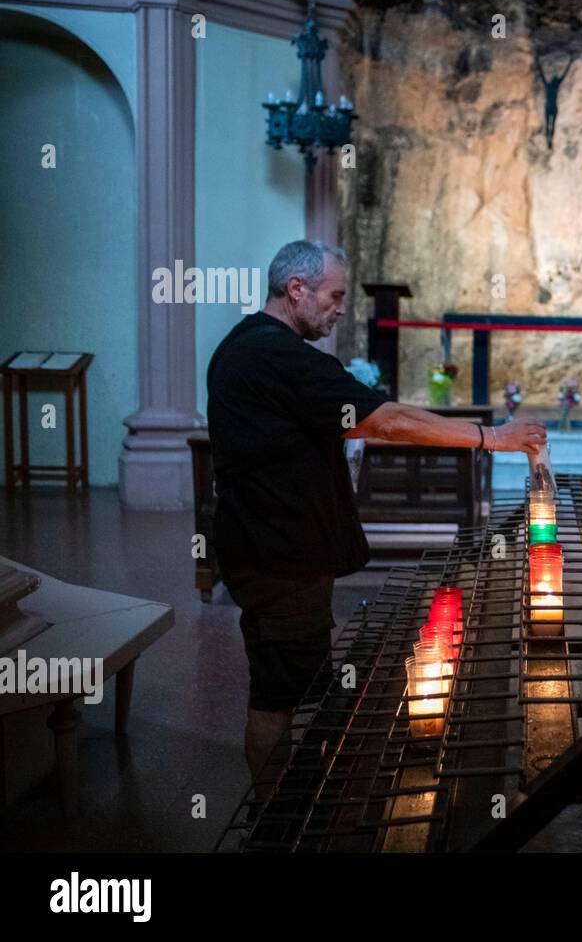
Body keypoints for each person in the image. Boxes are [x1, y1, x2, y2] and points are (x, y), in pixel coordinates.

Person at [207, 239, 547, 803]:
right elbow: (387, 421)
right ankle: (270, 820)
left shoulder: (242, 344)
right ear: (297, 289)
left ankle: (287, 806)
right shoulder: (280, 355)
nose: (341, 308)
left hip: (267, 544)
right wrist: (494, 437)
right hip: (278, 553)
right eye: (334, 295)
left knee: (290, 679)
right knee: (276, 693)